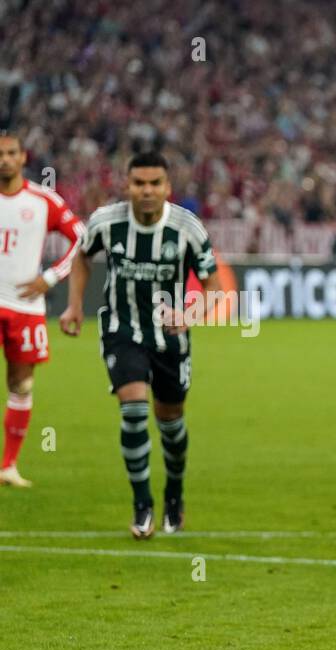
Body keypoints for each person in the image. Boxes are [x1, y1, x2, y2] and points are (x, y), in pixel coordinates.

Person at [61, 151, 221, 538]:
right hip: (122, 329)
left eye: (154, 184)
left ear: (167, 187)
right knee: (133, 409)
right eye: (139, 184)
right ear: (127, 185)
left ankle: (173, 494)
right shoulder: (106, 221)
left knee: (171, 423)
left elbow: (214, 286)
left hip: (170, 337)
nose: (146, 191)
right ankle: (142, 504)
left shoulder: (187, 227)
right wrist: (74, 305)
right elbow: (81, 257)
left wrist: (191, 314)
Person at [0, 130, 85, 487]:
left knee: (22, 382)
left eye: (11, 153)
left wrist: (50, 278)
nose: (4, 159)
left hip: (26, 307)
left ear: (23, 157)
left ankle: (8, 466)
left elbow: (82, 237)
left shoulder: (42, 200)